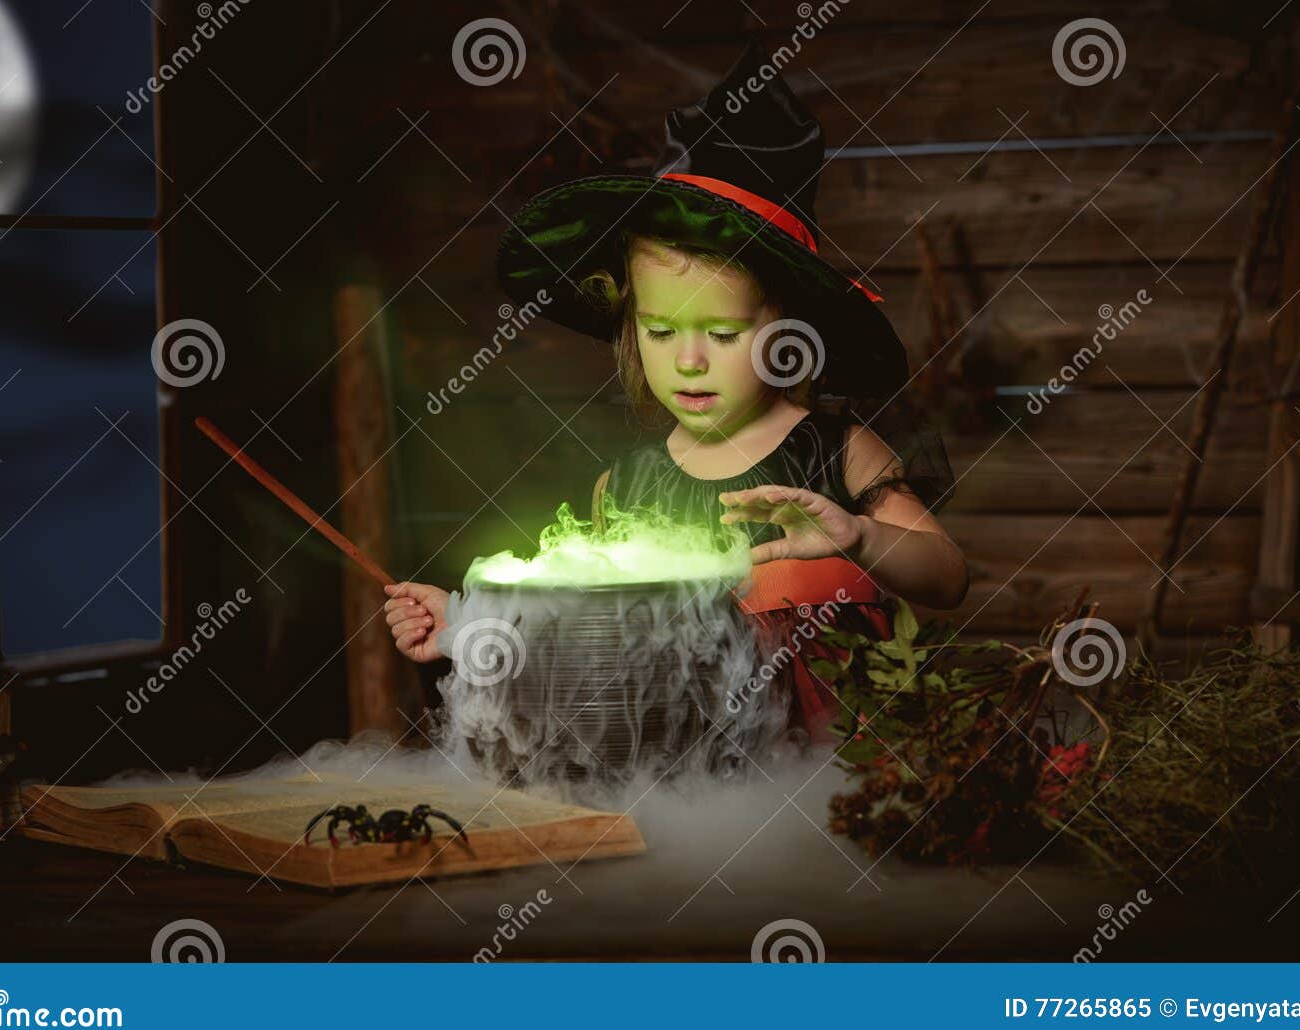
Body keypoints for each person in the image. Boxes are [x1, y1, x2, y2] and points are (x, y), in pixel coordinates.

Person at [383, 39, 967, 744]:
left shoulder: (834, 452)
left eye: (721, 335)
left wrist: (861, 535)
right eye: (661, 331)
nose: (688, 360)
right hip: (680, 774)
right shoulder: (626, 488)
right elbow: (582, 645)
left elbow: (946, 577)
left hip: (825, 769)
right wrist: (469, 626)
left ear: (787, 329)